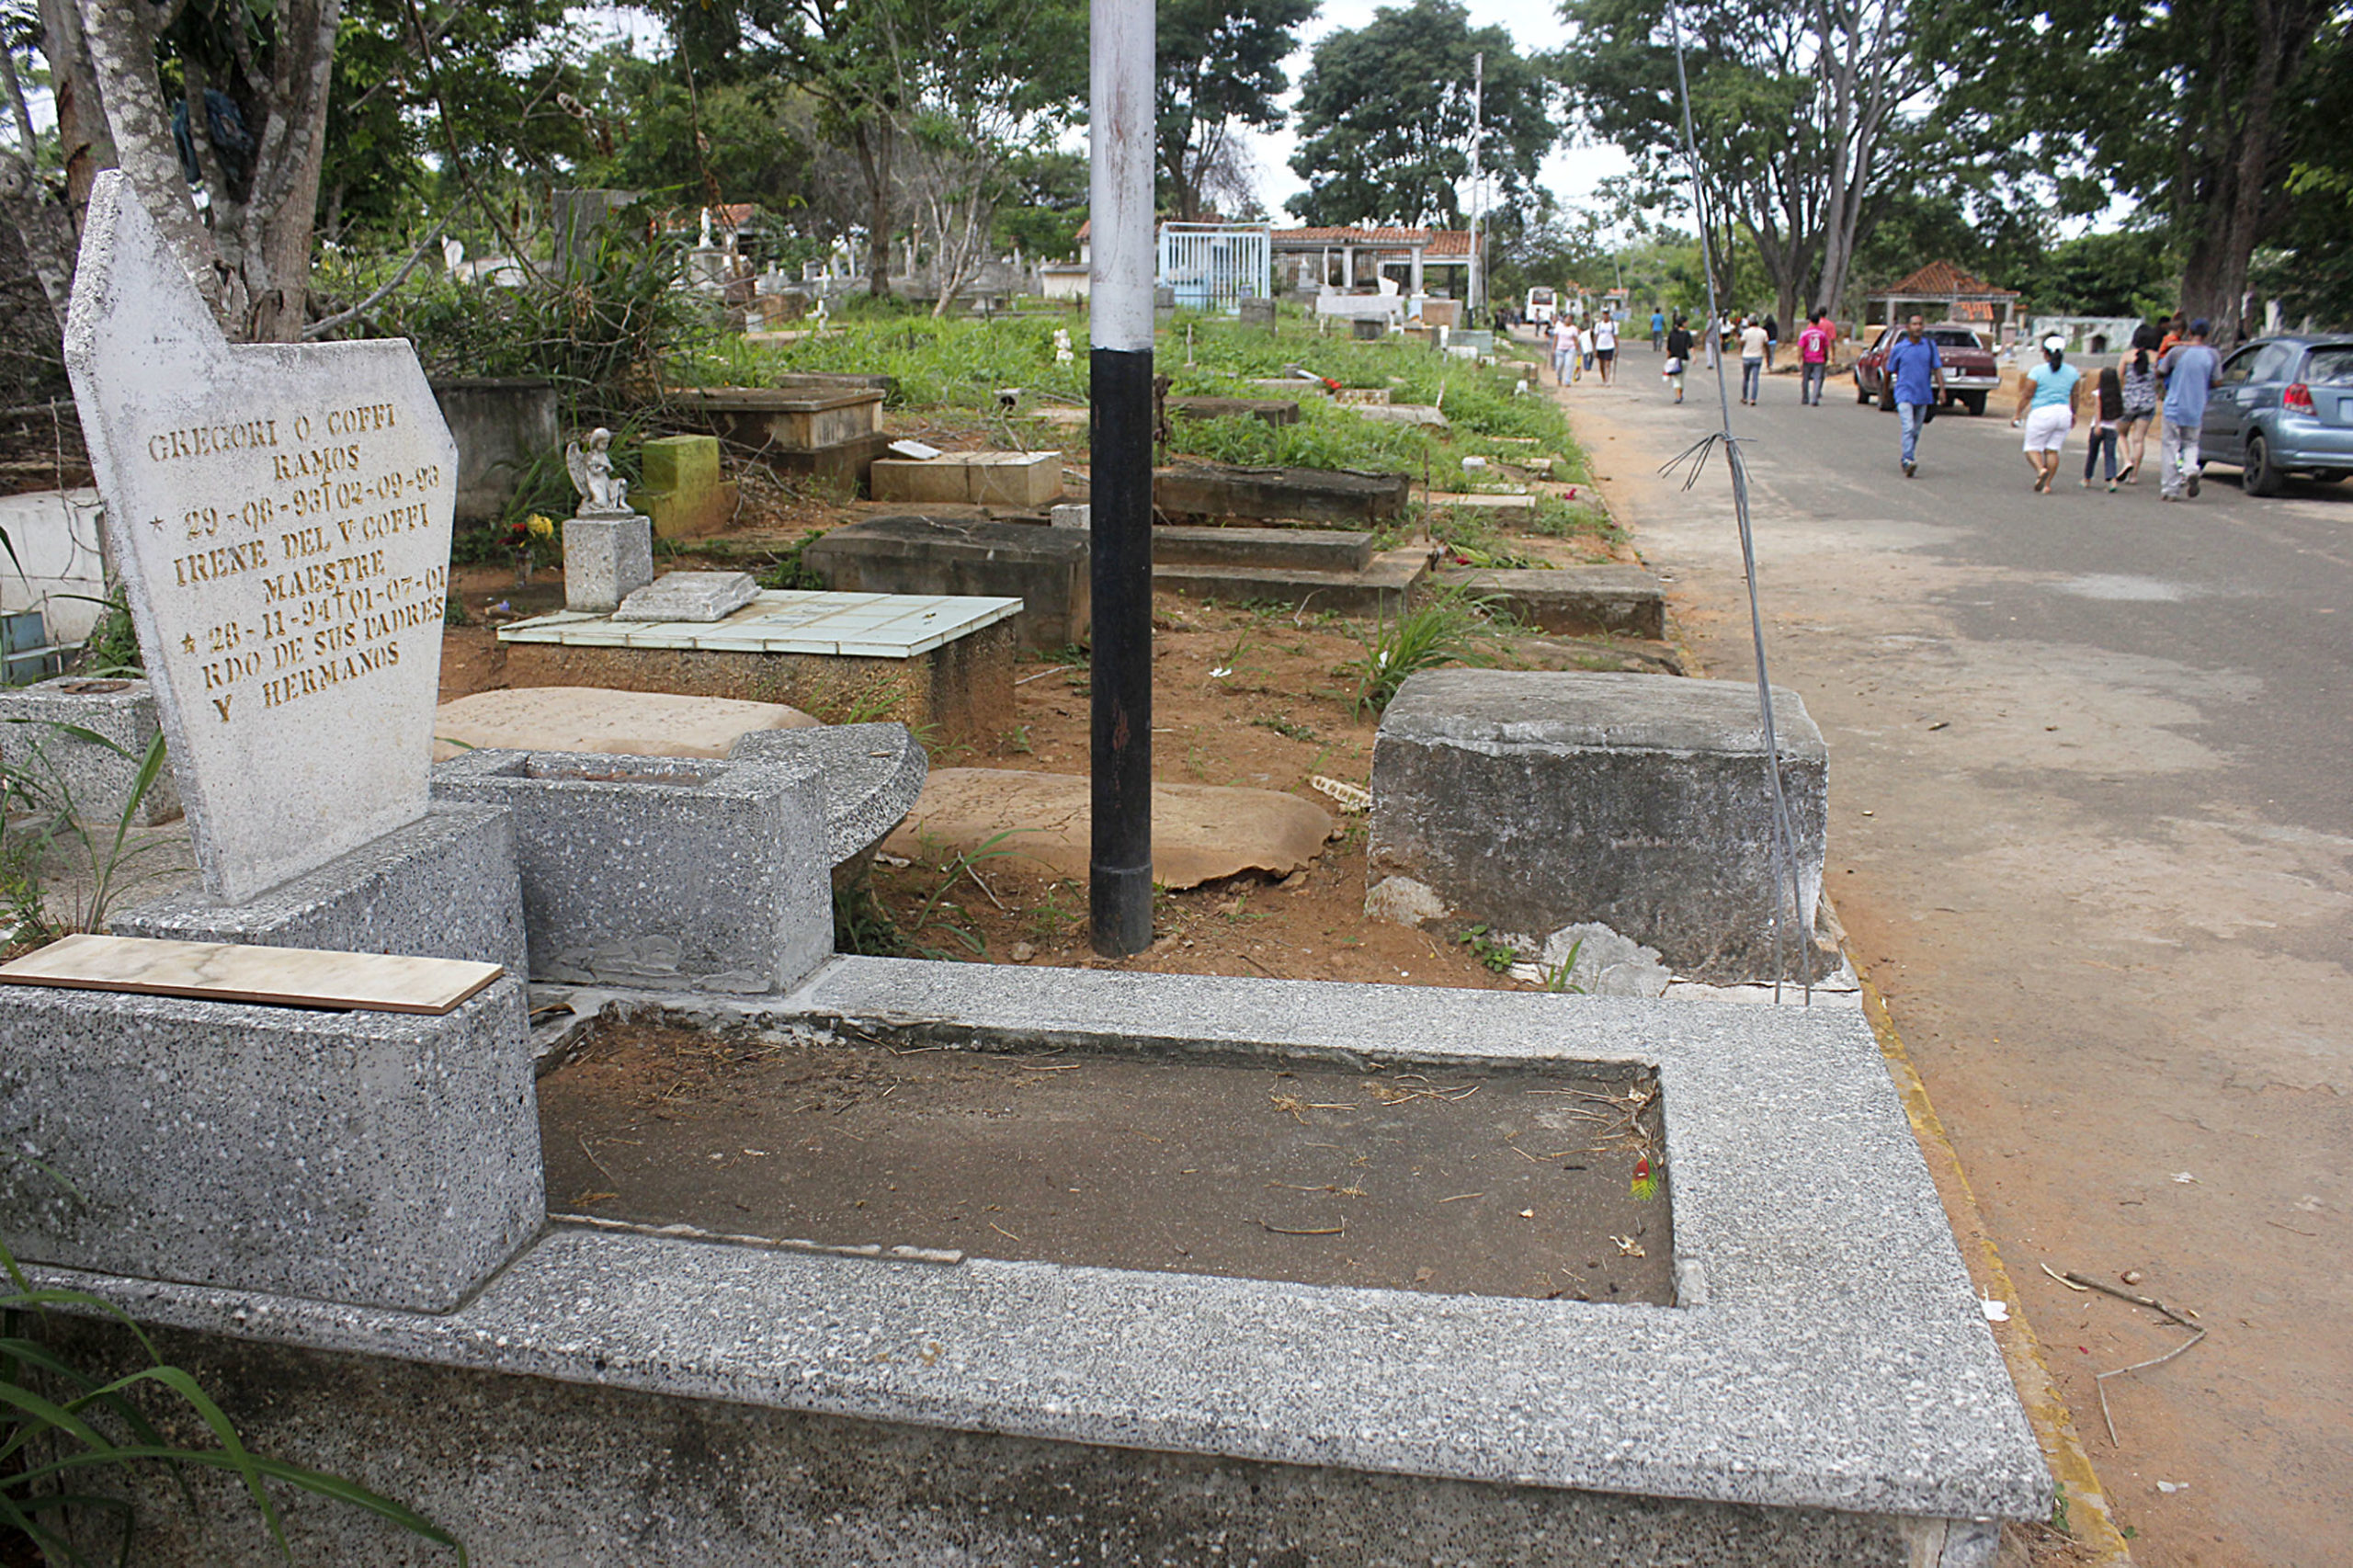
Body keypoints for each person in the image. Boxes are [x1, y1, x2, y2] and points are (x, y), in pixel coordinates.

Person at [2156, 318, 2220, 501]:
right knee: (2191, 443)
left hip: (2174, 407)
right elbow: (2217, 381)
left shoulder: (2177, 352)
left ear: (2189, 333)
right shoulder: (2213, 355)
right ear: (2207, 335)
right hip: (2196, 408)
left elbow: (2160, 372)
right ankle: (2191, 469)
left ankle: (2170, 489)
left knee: (2171, 446)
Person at [2011, 335, 2084, 493]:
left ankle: (2040, 469)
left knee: (2032, 448)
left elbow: (2027, 395)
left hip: (2042, 413)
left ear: (2045, 353)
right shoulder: (2072, 372)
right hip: (2063, 413)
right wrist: (2074, 413)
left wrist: (2018, 413)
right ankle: (2048, 484)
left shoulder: (2037, 372)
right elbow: (2076, 395)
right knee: (2052, 450)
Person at [1884, 314, 1946, 477]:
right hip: (1904, 393)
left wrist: (1942, 389)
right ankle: (1907, 459)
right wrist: (1885, 393)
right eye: (1914, 324)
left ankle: (1908, 455)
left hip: (1923, 394)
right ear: (1908, 327)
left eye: (1920, 324)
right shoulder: (1900, 348)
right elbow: (1888, 371)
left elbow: (1937, 368)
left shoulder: (1929, 346)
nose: (1918, 327)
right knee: (1908, 427)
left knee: (1916, 431)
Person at [2116, 323, 2161, 483]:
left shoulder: (2127, 356)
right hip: (2148, 401)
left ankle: (2127, 460)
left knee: (2120, 433)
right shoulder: (2156, 358)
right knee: (2139, 439)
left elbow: (2119, 377)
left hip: (2128, 400)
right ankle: (2134, 475)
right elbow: (2160, 378)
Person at [2083, 362, 2124, 490]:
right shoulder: (2117, 395)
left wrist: (2097, 425)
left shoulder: (2098, 393)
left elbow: (2098, 408)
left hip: (2098, 426)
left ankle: (2087, 479)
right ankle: (2112, 480)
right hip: (2112, 427)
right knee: (2110, 455)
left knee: (2092, 453)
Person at [1797, 311, 1833, 405]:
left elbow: (1801, 347)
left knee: (1805, 379)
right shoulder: (1822, 334)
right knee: (1817, 379)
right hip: (1819, 359)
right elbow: (1826, 347)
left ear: (1810, 321)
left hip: (1807, 359)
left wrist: (1799, 359)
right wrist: (1826, 357)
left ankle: (1805, 398)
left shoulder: (1804, 334)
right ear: (1818, 321)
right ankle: (1815, 399)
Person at [1738, 316, 1768, 403]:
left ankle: (1744, 397)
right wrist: (1767, 356)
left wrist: (1741, 351)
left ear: (1749, 323)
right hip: (1757, 357)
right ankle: (1753, 399)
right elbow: (1766, 344)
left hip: (1747, 357)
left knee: (1746, 378)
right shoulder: (1763, 332)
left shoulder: (1746, 332)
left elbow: (1742, 342)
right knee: (1755, 379)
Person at [1664, 315, 1694, 403]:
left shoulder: (1672, 333)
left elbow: (1668, 348)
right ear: (1683, 323)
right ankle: (1680, 395)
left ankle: (1678, 397)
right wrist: (1694, 356)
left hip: (1674, 359)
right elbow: (1691, 346)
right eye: (1687, 322)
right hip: (1684, 359)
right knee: (1681, 378)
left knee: (1676, 379)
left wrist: (1668, 359)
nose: (1688, 323)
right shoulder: (1686, 334)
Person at [1593, 312, 1619, 384]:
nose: (1605, 316)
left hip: (1610, 346)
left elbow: (1616, 337)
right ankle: (1604, 378)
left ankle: (1607, 380)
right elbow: (1596, 336)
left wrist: (1617, 348)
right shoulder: (1598, 325)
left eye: (1607, 314)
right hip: (1600, 346)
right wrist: (1594, 348)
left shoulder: (1613, 325)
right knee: (1601, 365)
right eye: (1604, 314)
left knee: (1608, 364)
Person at [1552, 312, 1577, 384]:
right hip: (1560, 349)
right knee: (1559, 366)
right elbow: (1556, 338)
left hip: (1570, 349)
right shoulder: (1559, 327)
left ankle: (1567, 381)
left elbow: (1575, 340)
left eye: (1570, 319)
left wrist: (1578, 350)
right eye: (1567, 318)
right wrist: (1553, 348)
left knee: (1569, 365)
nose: (1568, 320)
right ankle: (1559, 378)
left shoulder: (1573, 329)